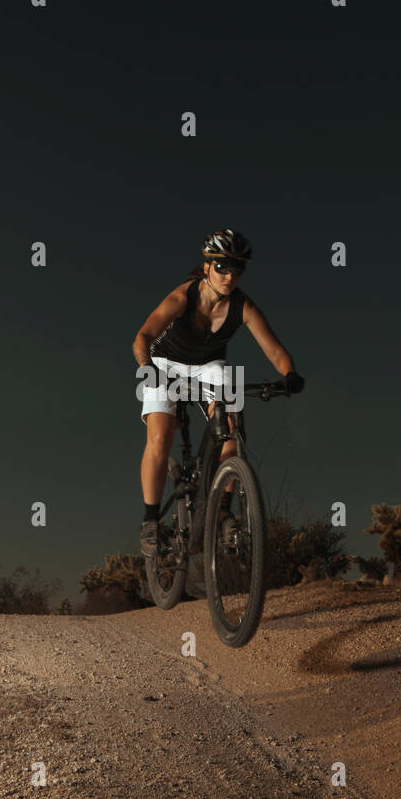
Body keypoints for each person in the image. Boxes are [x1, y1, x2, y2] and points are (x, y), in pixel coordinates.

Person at [132, 229, 304, 557]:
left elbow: (275, 350)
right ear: (208, 266)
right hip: (164, 363)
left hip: (210, 365)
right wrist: (147, 367)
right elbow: (142, 337)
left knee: (232, 432)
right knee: (159, 438)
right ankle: (150, 521)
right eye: (223, 267)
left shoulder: (243, 306)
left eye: (237, 269)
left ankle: (223, 511)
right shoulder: (182, 297)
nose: (230, 276)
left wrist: (289, 374)